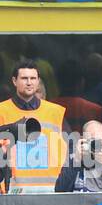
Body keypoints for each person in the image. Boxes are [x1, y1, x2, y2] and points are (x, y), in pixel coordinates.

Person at [0, 62, 67, 194]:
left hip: (50, 192)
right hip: (11, 193)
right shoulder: (1, 111)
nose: (29, 83)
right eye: (24, 78)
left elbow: (69, 153)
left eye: (33, 78)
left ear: (38, 81)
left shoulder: (55, 112)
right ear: (14, 81)